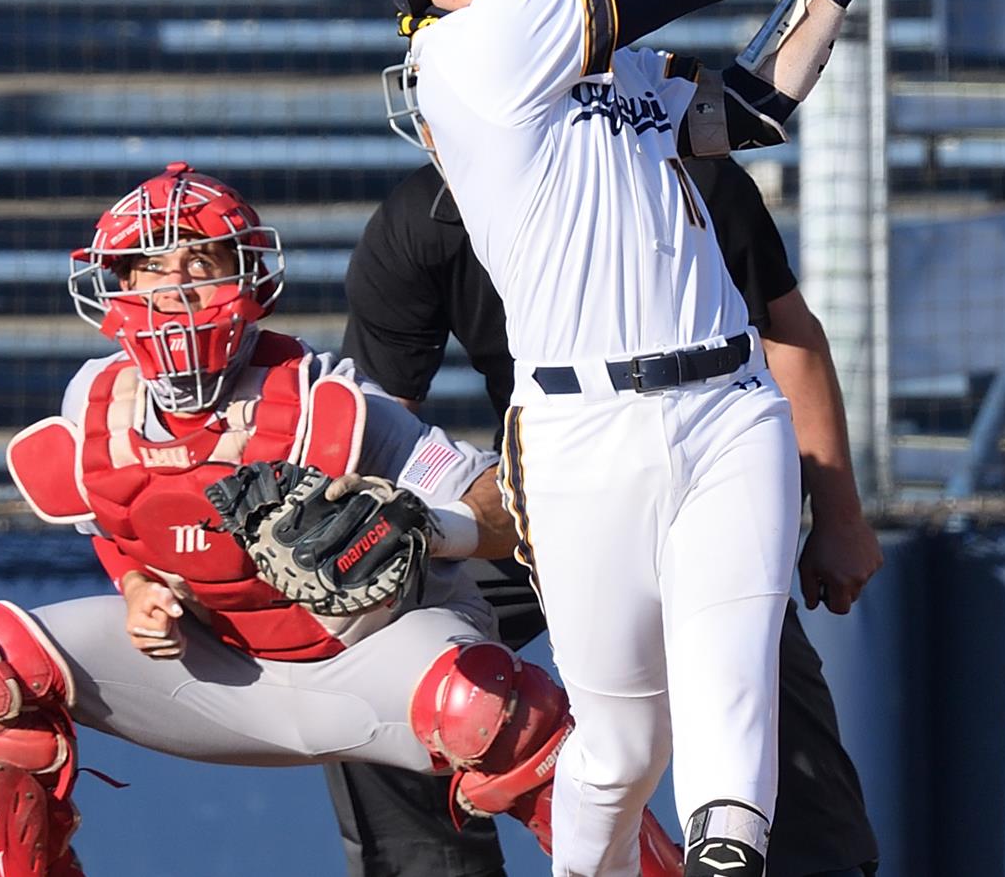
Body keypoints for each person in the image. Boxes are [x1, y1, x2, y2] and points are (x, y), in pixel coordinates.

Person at [354, 0, 897, 877]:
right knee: (620, 750)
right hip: (578, 432)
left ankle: (727, 847)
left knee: (730, 700)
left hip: (728, 407)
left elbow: (750, 108)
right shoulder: (473, 45)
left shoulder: (583, 51)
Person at [0, 162, 684, 877]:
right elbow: (116, 521)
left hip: (359, 661)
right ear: (119, 284)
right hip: (209, 670)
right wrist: (135, 588)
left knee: (488, 704)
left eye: (203, 260)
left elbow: (504, 506)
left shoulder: (326, 403)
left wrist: (417, 523)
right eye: (154, 266)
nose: (180, 286)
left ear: (248, 276)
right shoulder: (96, 403)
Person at [328, 152, 885, 877]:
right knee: (380, 646)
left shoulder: (687, 175)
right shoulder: (424, 217)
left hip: (694, 482)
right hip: (542, 497)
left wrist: (839, 512)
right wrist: (375, 547)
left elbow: (786, 333)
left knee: (752, 673)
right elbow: (376, 423)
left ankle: (812, 863)